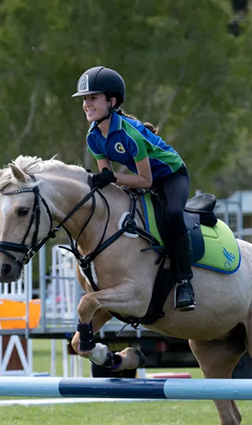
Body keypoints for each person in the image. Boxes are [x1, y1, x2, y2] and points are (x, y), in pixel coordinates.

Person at [72, 66, 195, 311]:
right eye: (85, 99)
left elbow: (145, 181)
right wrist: (105, 179)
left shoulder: (131, 134)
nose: (87, 104)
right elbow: (108, 176)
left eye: (93, 98)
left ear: (112, 101)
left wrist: (112, 178)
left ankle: (185, 282)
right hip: (143, 178)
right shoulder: (92, 136)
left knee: (172, 215)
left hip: (171, 176)